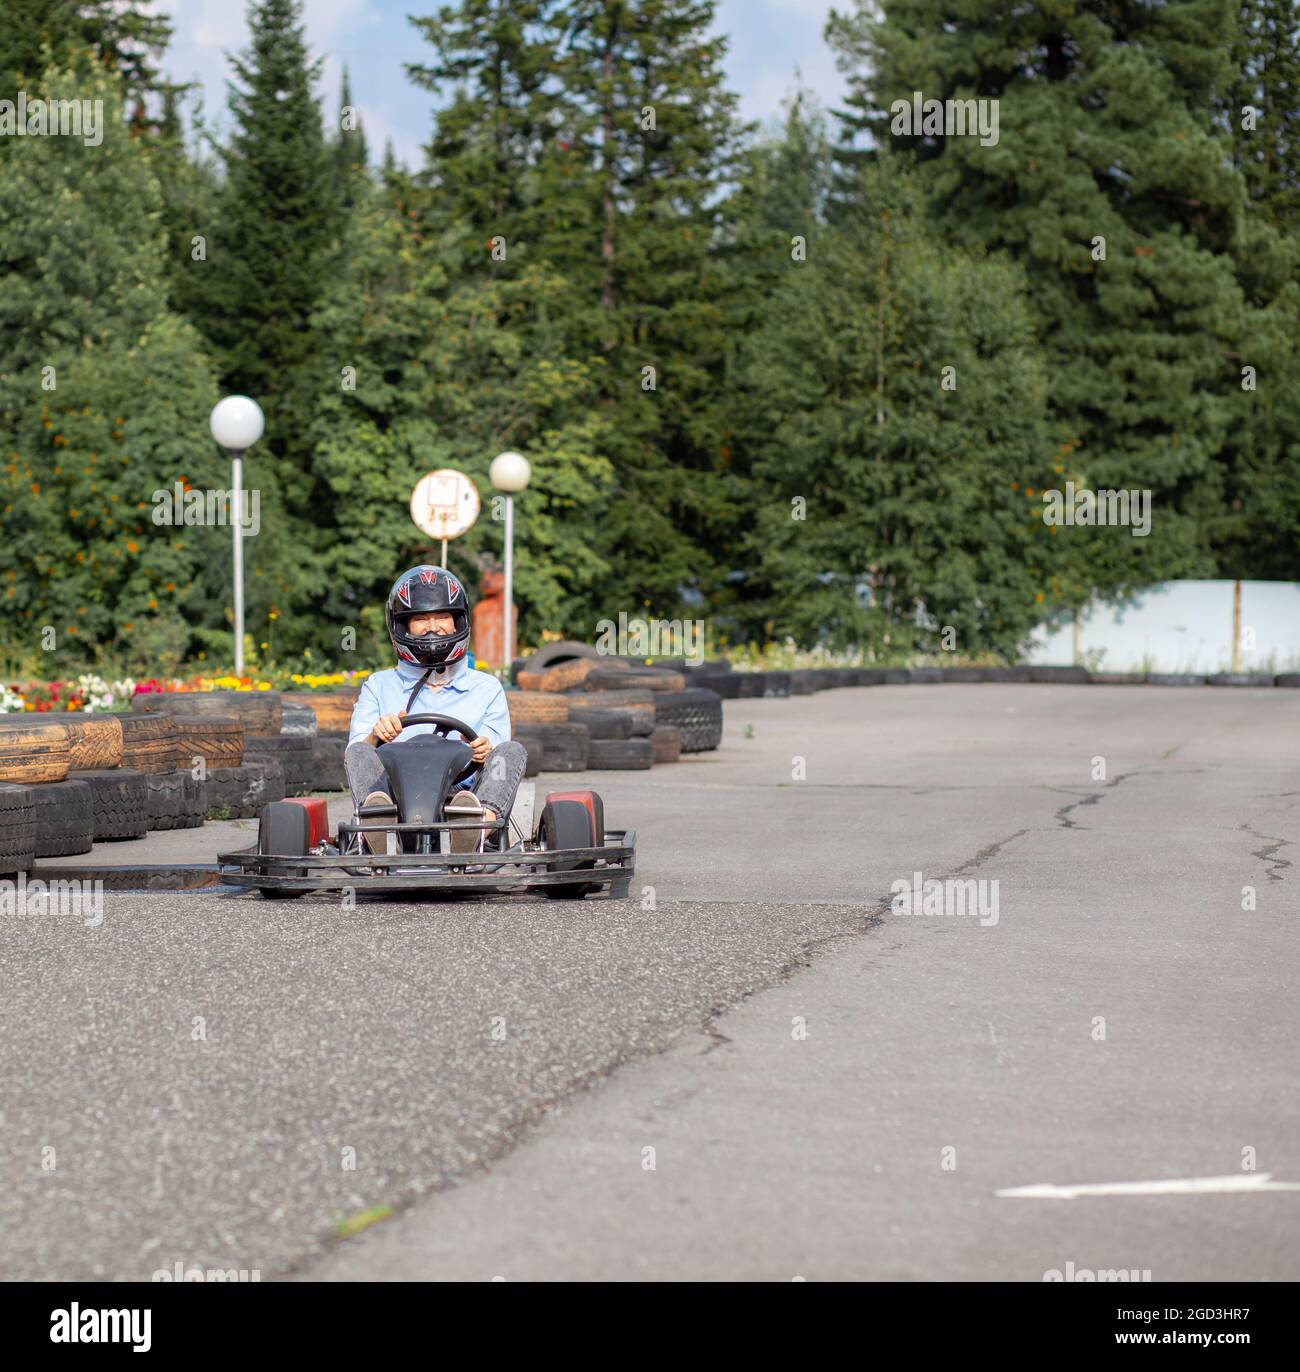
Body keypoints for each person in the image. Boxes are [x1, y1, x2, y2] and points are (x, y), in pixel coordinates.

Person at [345, 566, 526, 854]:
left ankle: (475, 830)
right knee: (358, 751)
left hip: (462, 798)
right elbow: (357, 751)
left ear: (457, 622)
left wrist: (482, 749)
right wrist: (376, 736)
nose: (433, 626)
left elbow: (494, 749)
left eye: (442, 616)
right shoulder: (379, 685)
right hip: (395, 799)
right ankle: (378, 826)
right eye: (421, 619)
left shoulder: (486, 687)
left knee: (511, 751)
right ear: (402, 627)